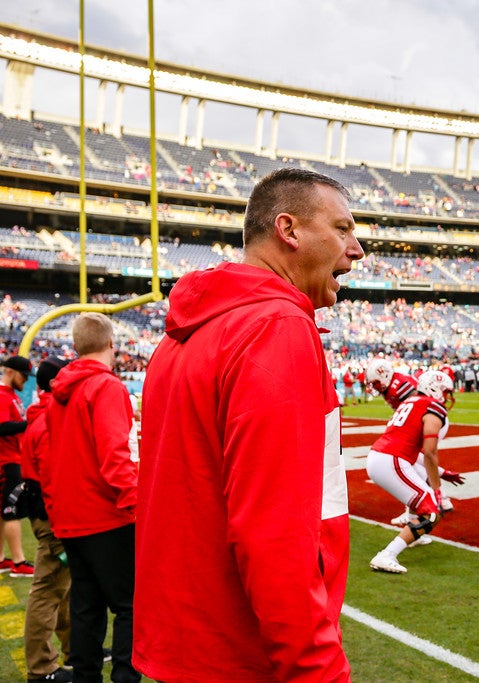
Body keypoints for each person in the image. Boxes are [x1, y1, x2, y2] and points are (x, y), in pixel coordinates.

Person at [136, 167, 363, 682]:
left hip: (184, 640)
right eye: (344, 228)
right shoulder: (277, 326)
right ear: (289, 230)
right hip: (240, 651)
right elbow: (275, 530)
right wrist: (317, 670)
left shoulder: (180, 338)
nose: (356, 248)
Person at [43, 313, 140, 682]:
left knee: (87, 607)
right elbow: (114, 457)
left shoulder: (57, 396)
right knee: (129, 607)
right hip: (108, 515)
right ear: (112, 345)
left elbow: (50, 460)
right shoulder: (106, 387)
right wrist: (137, 505)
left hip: (72, 518)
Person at [366, 370, 457, 574]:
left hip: (381, 456)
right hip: (392, 460)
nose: (447, 396)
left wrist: (440, 474)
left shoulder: (411, 402)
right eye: (444, 390)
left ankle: (415, 534)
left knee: (422, 499)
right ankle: (386, 555)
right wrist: (438, 491)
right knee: (433, 511)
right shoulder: (432, 407)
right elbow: (429, 453)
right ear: (434, 388)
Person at [18, 356, 72, 683]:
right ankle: (40, 667)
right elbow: (55, 478)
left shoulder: (43, 414)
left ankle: (71, 650)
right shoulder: (51, 420)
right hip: (53, 515)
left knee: (62, 587)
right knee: (49, 589)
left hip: (46, 511)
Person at [365, 358, 461, 523]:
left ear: (385, 375)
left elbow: (422, 406)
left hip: (430, 421)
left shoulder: (399, 387)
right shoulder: (391, 385)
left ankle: (435, 501)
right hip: (422, 421)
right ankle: (437, 501)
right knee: (410, 460)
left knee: (412, 460)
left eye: (376, 382)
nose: (375, 387)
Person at [0, 354, 33, 577]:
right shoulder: (3, 396)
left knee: (4, 513)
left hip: (12, 459)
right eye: (23, 375)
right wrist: (29, 423)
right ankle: (19, 562)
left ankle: (1, 559)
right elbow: (1, 427)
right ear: (10, 372)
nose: (25, 381)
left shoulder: (11, 396)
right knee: (11, 512)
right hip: (6, 461)